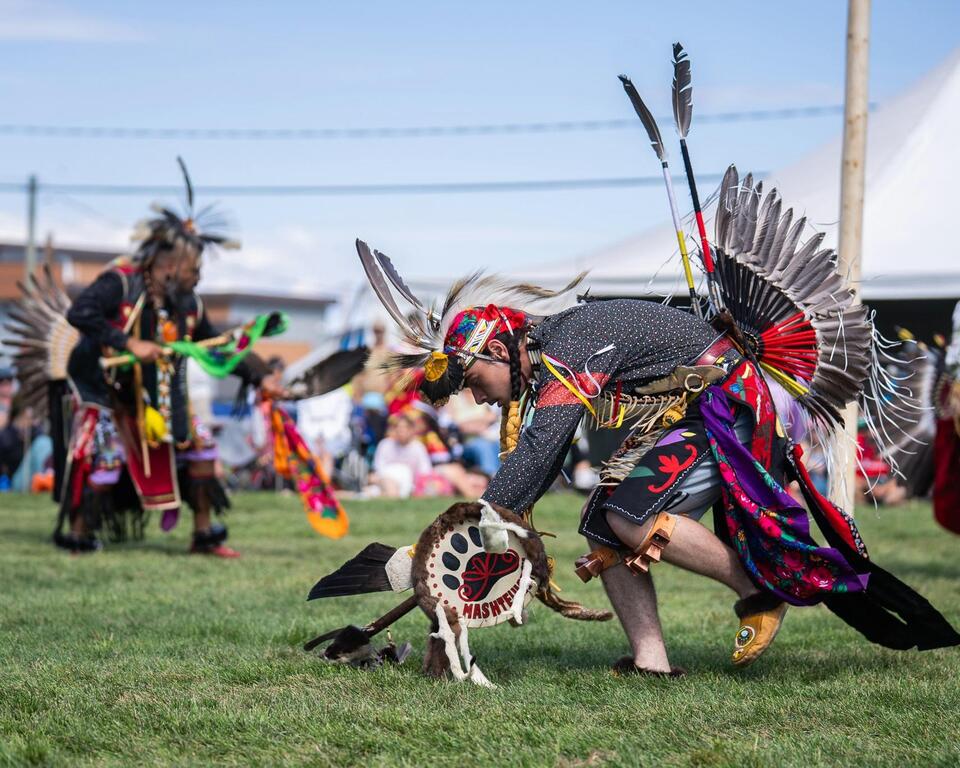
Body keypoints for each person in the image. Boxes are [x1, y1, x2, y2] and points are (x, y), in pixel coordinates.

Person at [355, 170, 959, 676]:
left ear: (494, 353)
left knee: (630, 515)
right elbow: (532, 465)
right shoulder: (557, 351)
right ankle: (652, 662)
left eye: (470, 382)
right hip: (705, 413)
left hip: (731, 409)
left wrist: (457, 534)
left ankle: (759, 590)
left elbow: (542, 453)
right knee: (601, 524)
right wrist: (467, 535)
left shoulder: (570, 344)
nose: (477, 399)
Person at [47, 160, 270, 555]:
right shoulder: (121, 281)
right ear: (169, 264)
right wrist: (128, 344)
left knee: (201, 446)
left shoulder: (188, 305)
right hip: (105, 394)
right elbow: (79, 313)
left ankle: (203, 534)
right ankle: (80, 532)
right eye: (194, 268)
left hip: (161, 399)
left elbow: (216, 345)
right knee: (104, 458)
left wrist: (260, 375)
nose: (199, 275)